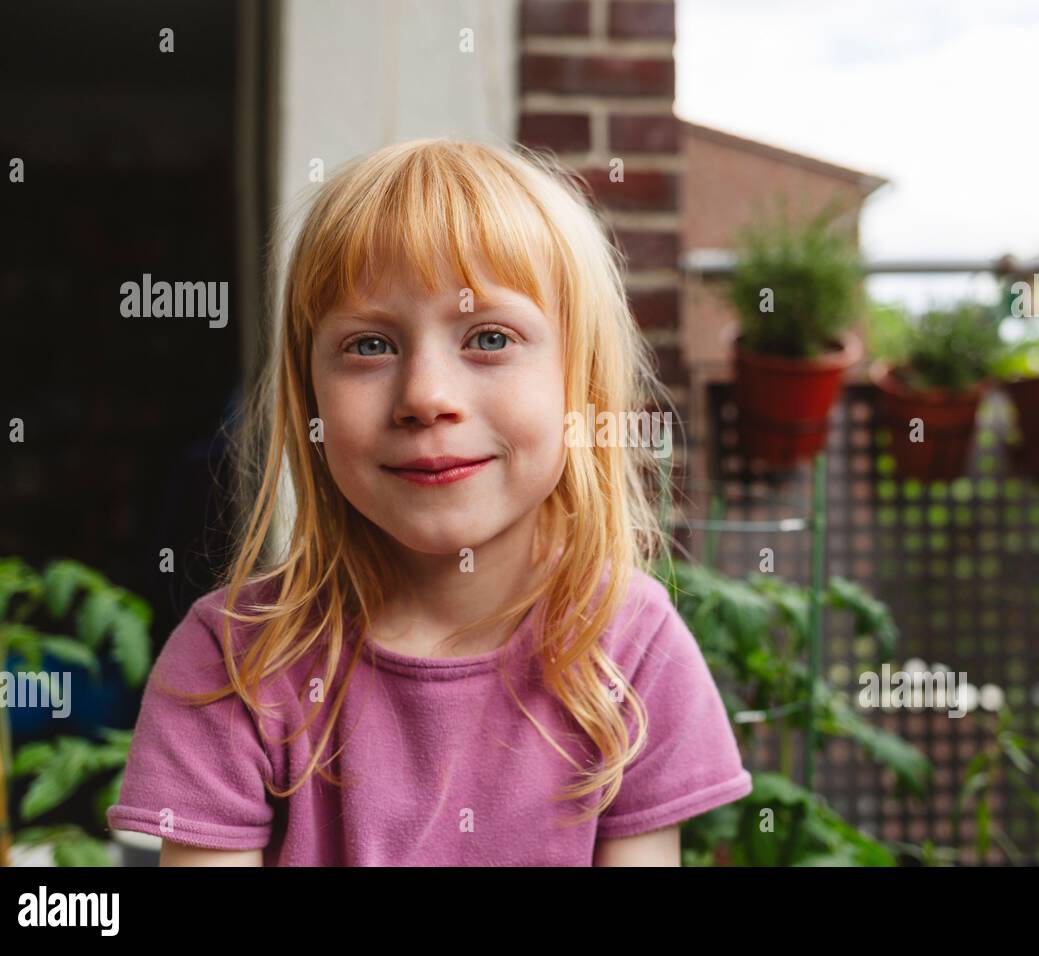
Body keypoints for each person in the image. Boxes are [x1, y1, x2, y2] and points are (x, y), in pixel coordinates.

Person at [105, 138, 751, 866]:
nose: (425, 397)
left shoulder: (633, 650)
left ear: (582, 386)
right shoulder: (229, 665)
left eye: (490, 337)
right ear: (307, 394)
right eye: (371, 346)